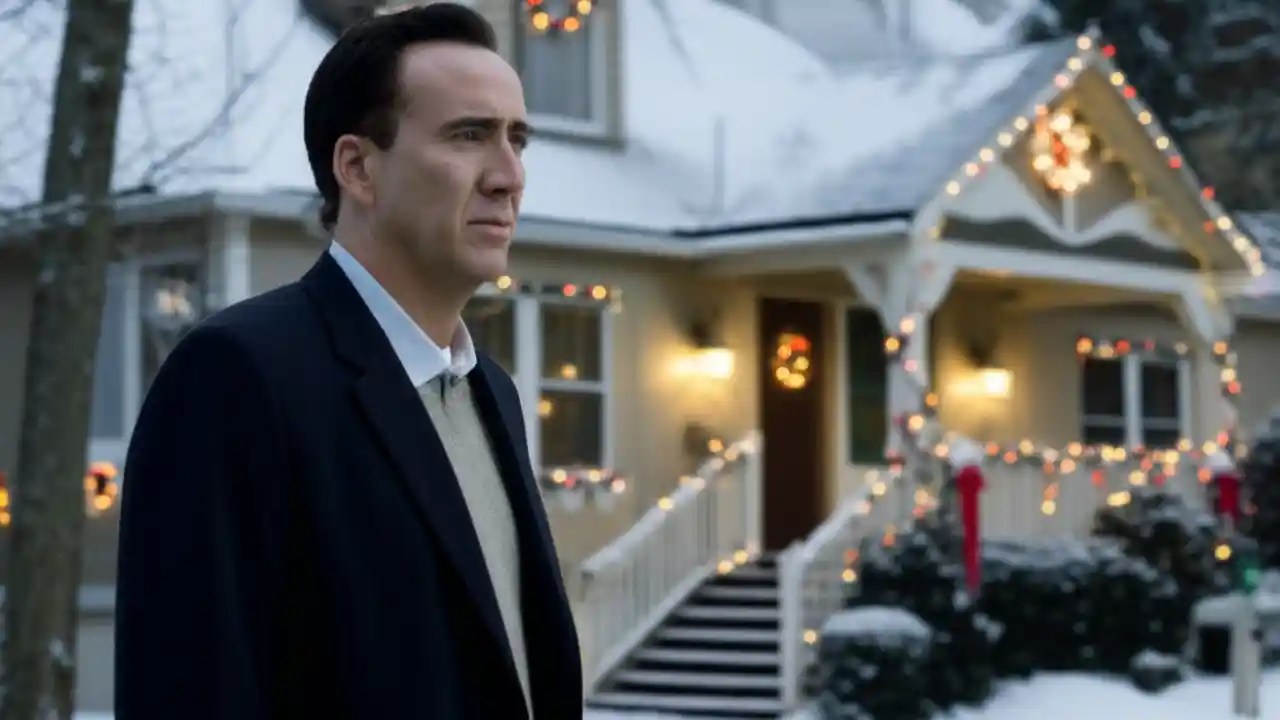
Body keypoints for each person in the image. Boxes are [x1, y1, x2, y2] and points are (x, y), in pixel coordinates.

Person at [113, 4, 582, 718]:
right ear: (357, 167)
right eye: (469, 137)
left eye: (518, 140)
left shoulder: (494, 392)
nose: (508, 176)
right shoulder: (237, 378)